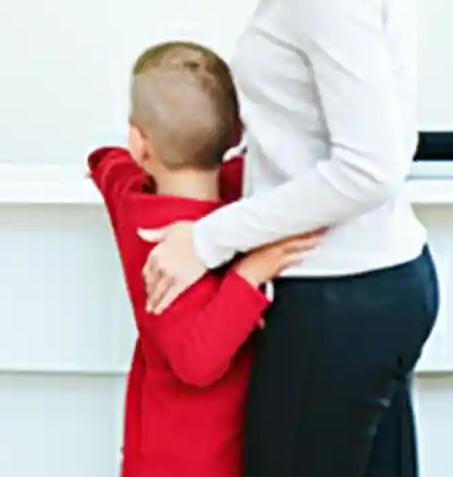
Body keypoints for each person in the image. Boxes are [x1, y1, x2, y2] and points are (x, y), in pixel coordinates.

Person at [139, 0, 440, 476]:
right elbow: (389, 143)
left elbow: (369, 166)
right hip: (383, 284)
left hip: (341, 298)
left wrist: (208, 239)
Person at [89, 41, 320, 477]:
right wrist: (249, 274)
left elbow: (113, 166)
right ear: (237, 133)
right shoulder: (168, 231)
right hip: (187, 463)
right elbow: (196, 361)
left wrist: (102, 159)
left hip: (168, 449)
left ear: (141, 145)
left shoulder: (134, 202)